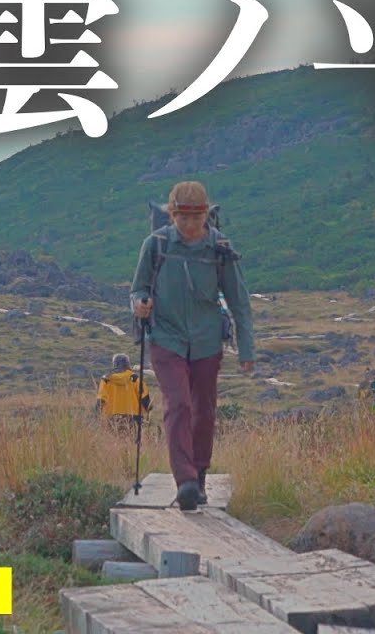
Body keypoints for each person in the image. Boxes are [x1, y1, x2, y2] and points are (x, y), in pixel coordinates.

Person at [131, 181, 255, 511]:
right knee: (179, 404)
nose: (189, 225)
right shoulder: (155, 245)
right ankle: (184, 480)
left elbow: (239, 300)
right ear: (171, 215)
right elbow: (139, 287)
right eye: (182, 218)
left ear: (206, 214)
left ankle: (199, 475)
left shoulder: (220, 249)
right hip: (166, 337)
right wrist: (139, 303)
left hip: (207, 340)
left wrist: (247, 350)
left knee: (204, 410)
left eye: (196, 217)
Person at [96, 353, 151, 426]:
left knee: (113, 437)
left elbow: (101, 399)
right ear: (128, 364)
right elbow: (145, 398)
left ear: (114, 364)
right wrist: (147, 414)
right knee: (132, 437)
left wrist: (97, 415)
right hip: (133, 417)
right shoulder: (135, 379)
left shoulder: (106, 379)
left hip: (111, 418)